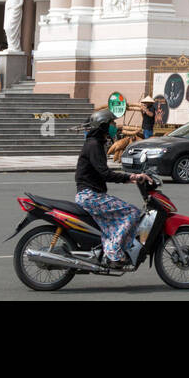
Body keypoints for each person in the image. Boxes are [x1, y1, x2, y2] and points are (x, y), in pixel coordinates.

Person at [75, 108, 155, 267]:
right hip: (91, 196)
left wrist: (128, 179)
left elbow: (102, 173)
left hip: (91, 194)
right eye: (111, 123)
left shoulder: (94, 143)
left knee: (119, 217)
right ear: (103, 125)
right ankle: (113, 253)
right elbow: (105, 173)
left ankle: (112, 250)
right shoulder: (94, 145)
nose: (114, 126)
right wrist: (130, 177)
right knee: (132, 212)